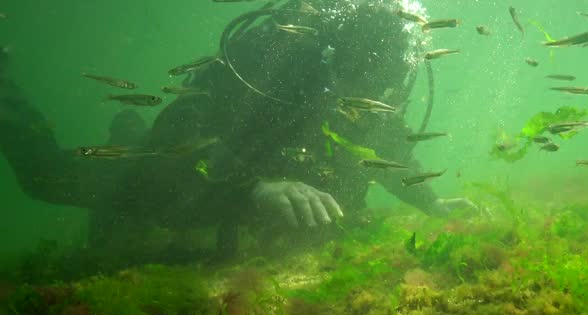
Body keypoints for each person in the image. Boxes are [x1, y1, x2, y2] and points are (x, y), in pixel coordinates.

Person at [0, 0, 471, 263]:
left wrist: (430, 201)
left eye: (386, 84)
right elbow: (173, 138)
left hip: (221, 196)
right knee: (45, 177)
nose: (373, 97)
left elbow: (385, 139)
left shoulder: (366, 87)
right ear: (341, 54)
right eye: (366, 79)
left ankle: (125, 126)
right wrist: (253, 188)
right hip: (173, 177)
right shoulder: (265, 62)